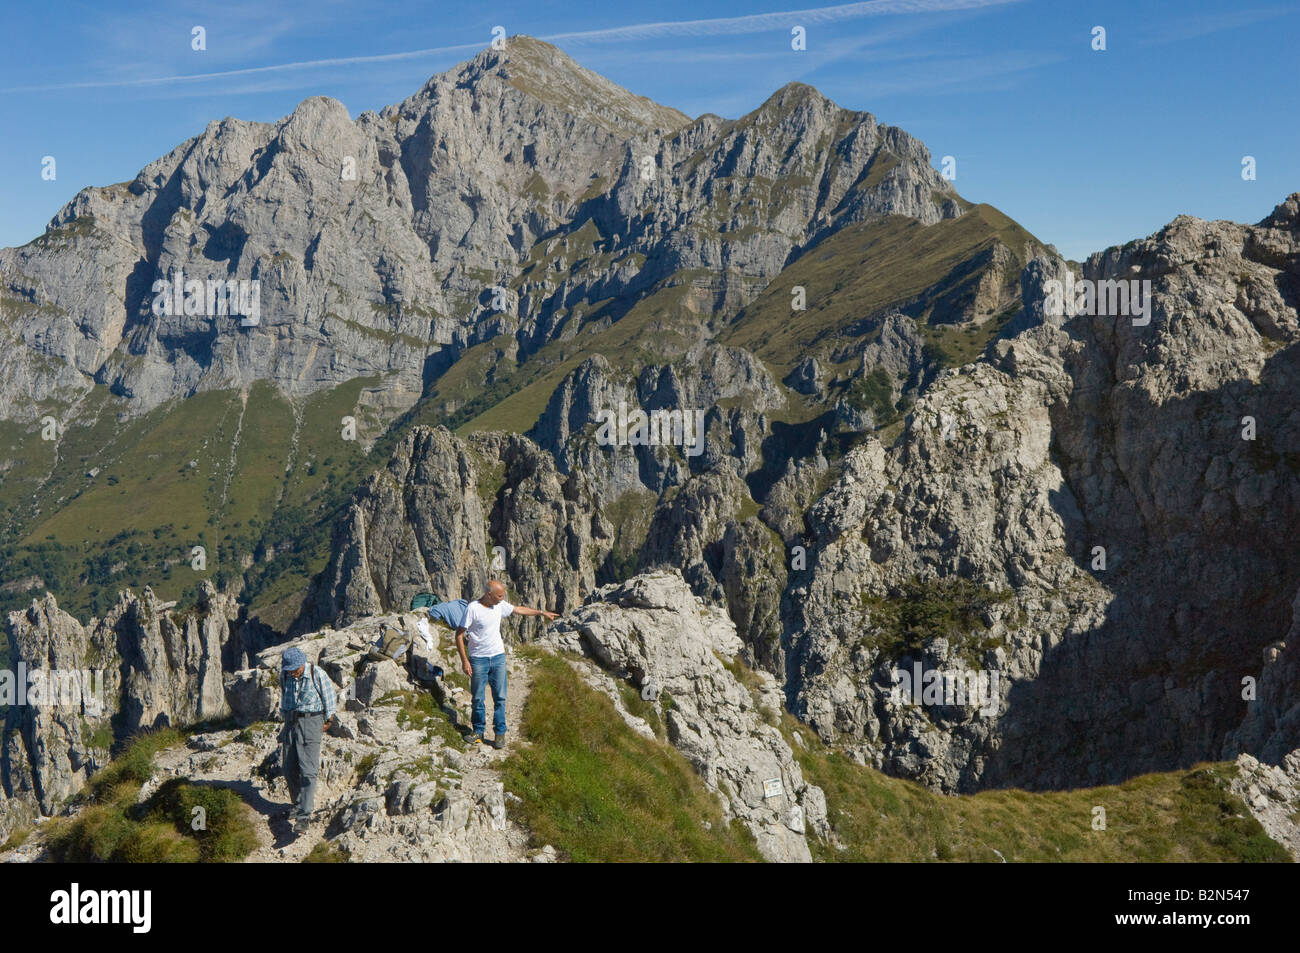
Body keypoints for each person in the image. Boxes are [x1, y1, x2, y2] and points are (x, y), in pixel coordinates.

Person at [455, 580, 557, 749]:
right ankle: (478, 732)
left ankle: (500, 734)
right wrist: (465, 661)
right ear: (489, 594)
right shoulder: (472, 609)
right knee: (478, 698)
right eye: (499, 595)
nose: (502, 599)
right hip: (478, 659)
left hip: (498, 657)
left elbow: (518, 610)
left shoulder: (499, 605)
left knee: (500, 698)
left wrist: (541, 612)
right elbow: (459, 635)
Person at [279, 646, 337, 835]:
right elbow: (284, 695)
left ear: (302, 663)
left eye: (296, 669)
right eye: (290, 670)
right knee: (288, 767)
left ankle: (304, 816)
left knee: (308, 771)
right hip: (291, 721)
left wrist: (329, 720)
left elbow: (329, 696)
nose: (294, 673)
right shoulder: (286, 675)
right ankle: (297, 803)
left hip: (311, 720)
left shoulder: (316, 673)